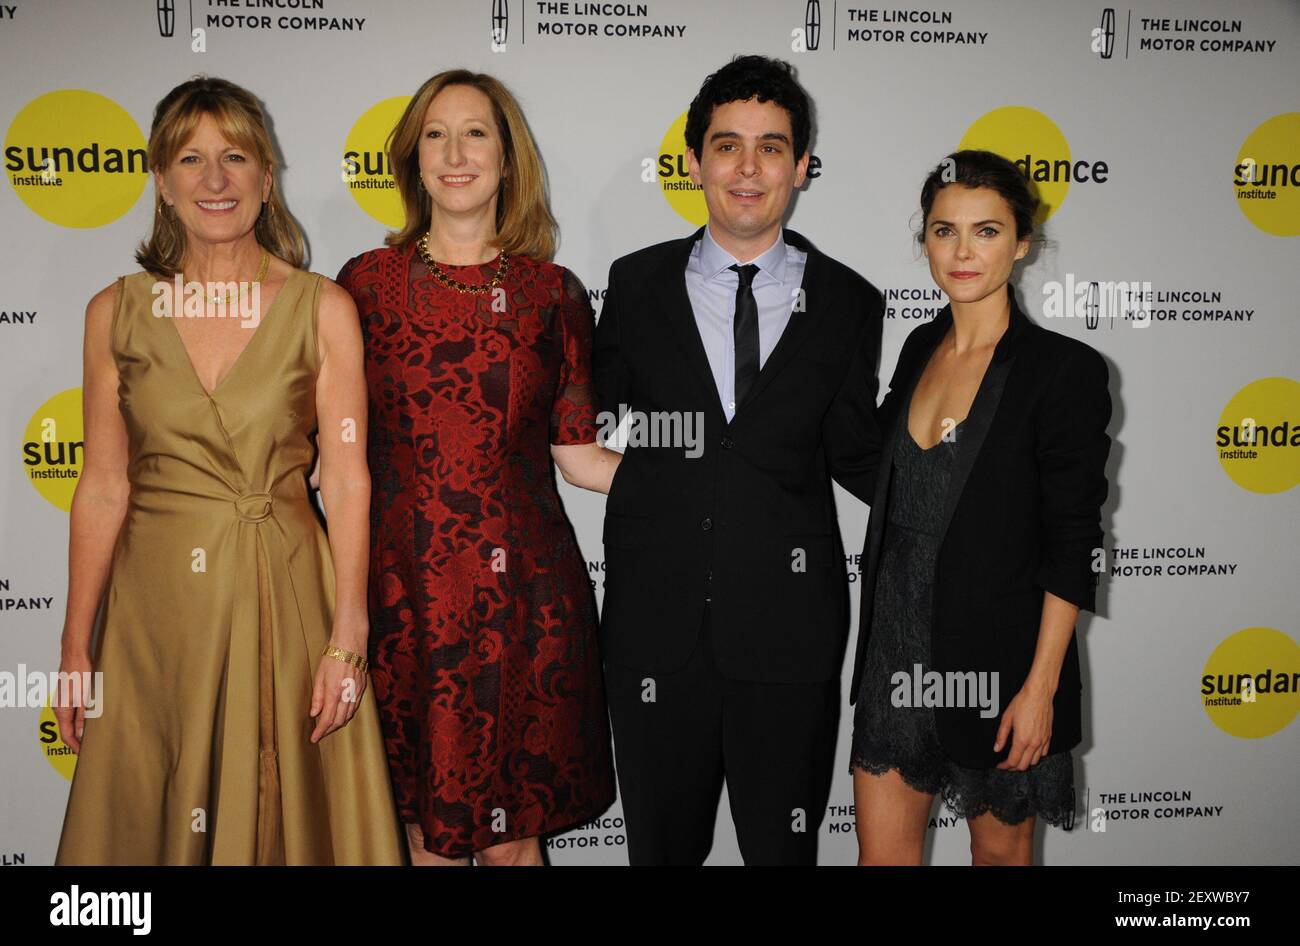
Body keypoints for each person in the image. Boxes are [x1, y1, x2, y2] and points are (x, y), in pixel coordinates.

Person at [54, 76, 403, 864]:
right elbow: (104, 485)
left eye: (236, 157)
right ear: (163, 183)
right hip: (154, 614)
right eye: (191, 159)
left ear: (267, 178)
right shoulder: (114, 311)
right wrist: (77, 647)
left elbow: (347, 477)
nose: (215, 180)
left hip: (282, 596)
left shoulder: (322, 308)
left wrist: (350, 631)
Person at [593, 55, 883, 865]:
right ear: (694, 162)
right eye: (727, 145)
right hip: (654, 637)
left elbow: (862, 453)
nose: (748, 168)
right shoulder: (635, 283)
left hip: (790, 638)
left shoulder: (851, 300)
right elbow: (597, 424)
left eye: (770, 147)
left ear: (798, 165)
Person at [336, 70, 618, 866]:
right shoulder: (361, 287)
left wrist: (708, 488)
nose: (455, 153)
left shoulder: (553, 294)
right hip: (402, 600)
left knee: (511, 844)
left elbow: (578, 455)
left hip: (526, 602)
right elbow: (333, 452)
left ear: (508, 156)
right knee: (421, 838)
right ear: (412, 158)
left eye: (476, 133)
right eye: (435, 134)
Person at [848, 149, 1112, 866]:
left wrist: (1040, 687)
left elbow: (1072, 537)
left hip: (1001, 663)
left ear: (1022, 242)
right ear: (925, 240)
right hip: (893, 656)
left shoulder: (1063, 370)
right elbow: (884, 476)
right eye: (944, 231)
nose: (963, 251)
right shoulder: (918, 346)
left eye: (987, 231)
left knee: (999, 859)